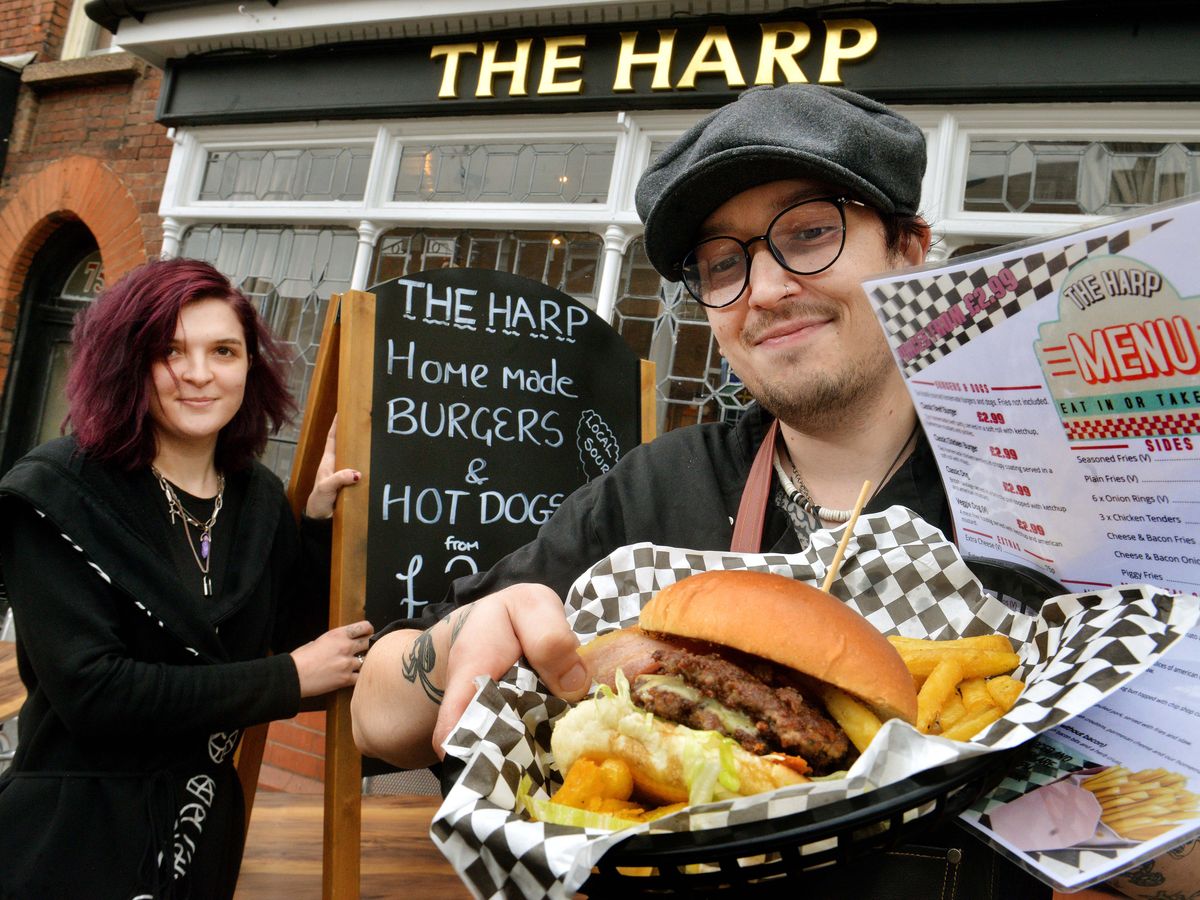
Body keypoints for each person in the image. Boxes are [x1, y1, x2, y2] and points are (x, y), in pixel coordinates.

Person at [351, 85, 1195, 897]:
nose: (765, 289)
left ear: (909, 248)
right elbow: (372, 719)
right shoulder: (653, 487)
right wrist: (461, 638)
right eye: (723, 262)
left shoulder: (1046, 500)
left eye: (811, 230)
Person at [0, 257, 372, 899]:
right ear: (129, 363)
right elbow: (95, 694)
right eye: (170, 350)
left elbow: (287, 639)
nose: (199, 374)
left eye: (223, 350)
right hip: (72, 839)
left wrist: (312, 525)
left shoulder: (255, 498)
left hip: (200, 835)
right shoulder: (57, 493)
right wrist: (286, 678)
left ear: (248, 368)